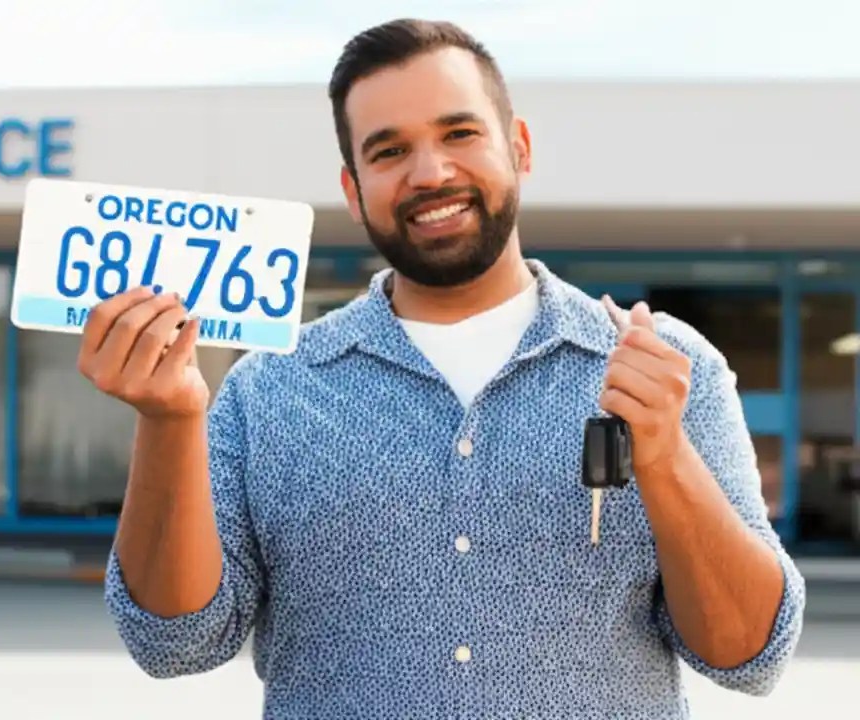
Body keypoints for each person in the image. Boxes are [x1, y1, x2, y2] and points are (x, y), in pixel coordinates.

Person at [77, 18, 806, 719]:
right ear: (353, 188)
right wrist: (169, 420)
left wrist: (667, 456)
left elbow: (748, 656)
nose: (431, 172)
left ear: (518, 146)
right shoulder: (269, 390)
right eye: (388, 151)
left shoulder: (669, 368)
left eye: (460, 133)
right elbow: (174, 644)